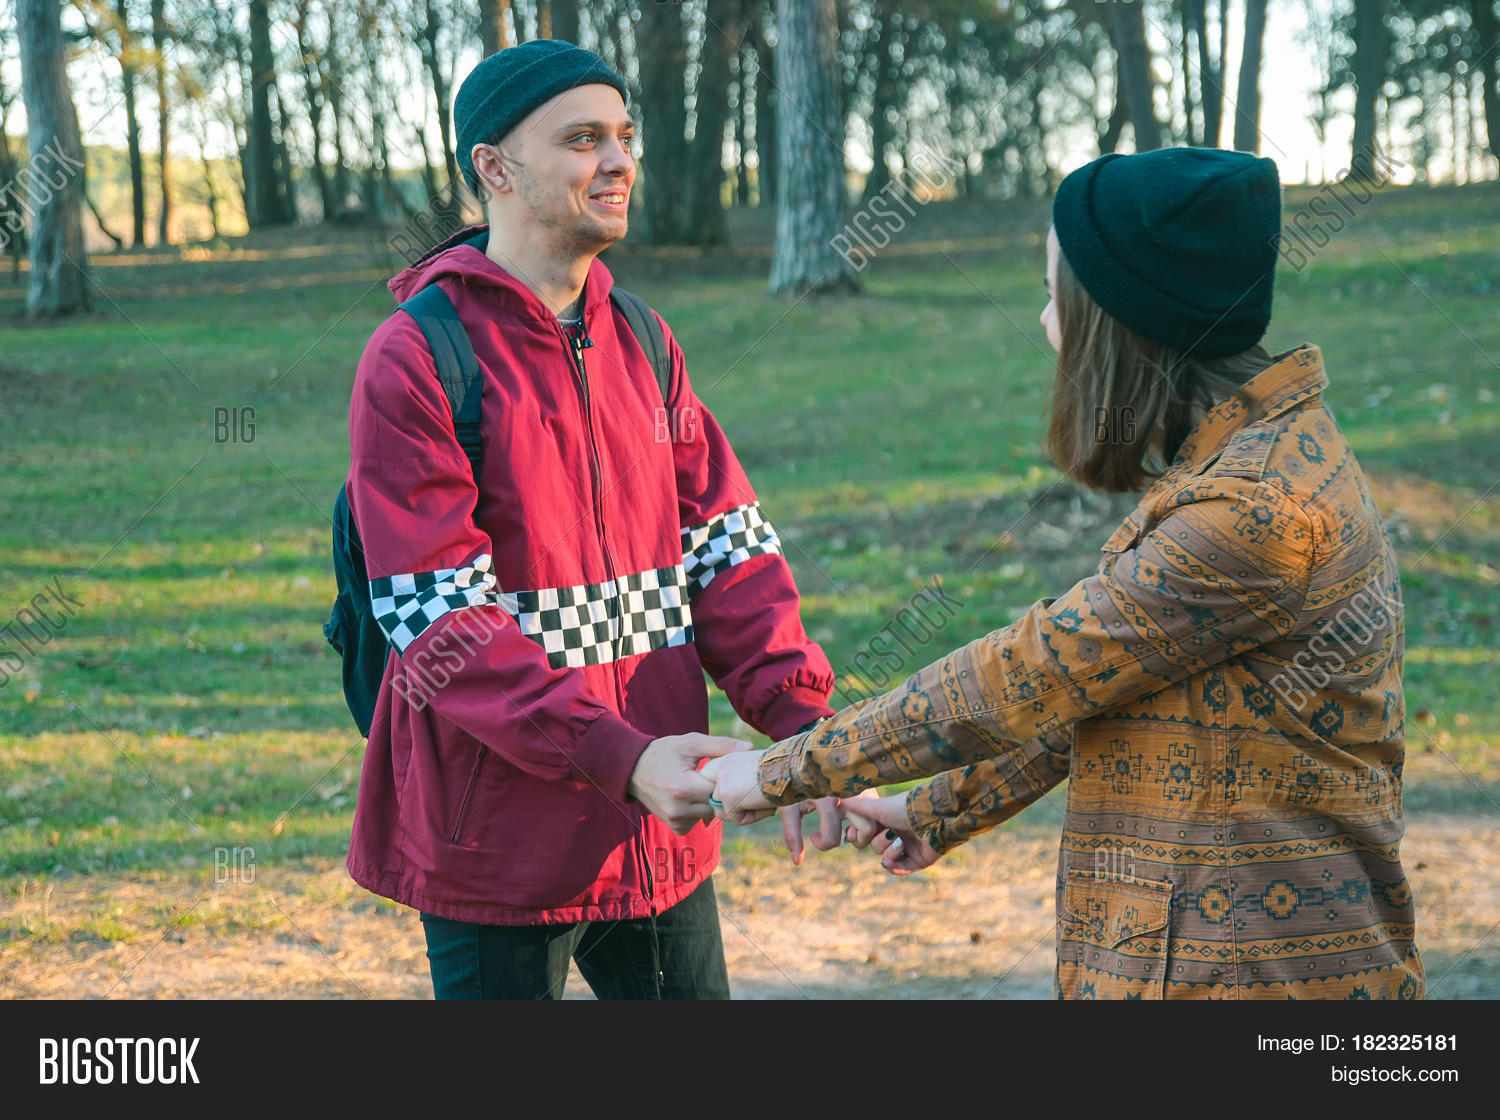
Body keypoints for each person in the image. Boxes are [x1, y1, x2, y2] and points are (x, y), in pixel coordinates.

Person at [705, 147, 1424, 1000]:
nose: (1047, 321)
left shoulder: (1252, 513)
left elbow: (1032, 671)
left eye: (1056, 296)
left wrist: (782, 768)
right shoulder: (1261, 455)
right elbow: (1109, 685)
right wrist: (936, 809)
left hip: (1252, 977)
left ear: (1120, 323)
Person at [343, 40, 847, 1000]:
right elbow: (440, 620)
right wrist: (619, 756)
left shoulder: (645, 341)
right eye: (582, 140)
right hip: (499, 847)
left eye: (624, 136)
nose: (618, 161)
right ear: (494, 168)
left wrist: (805, 731)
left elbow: (728, 556)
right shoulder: (416, 357)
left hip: (660, 823)